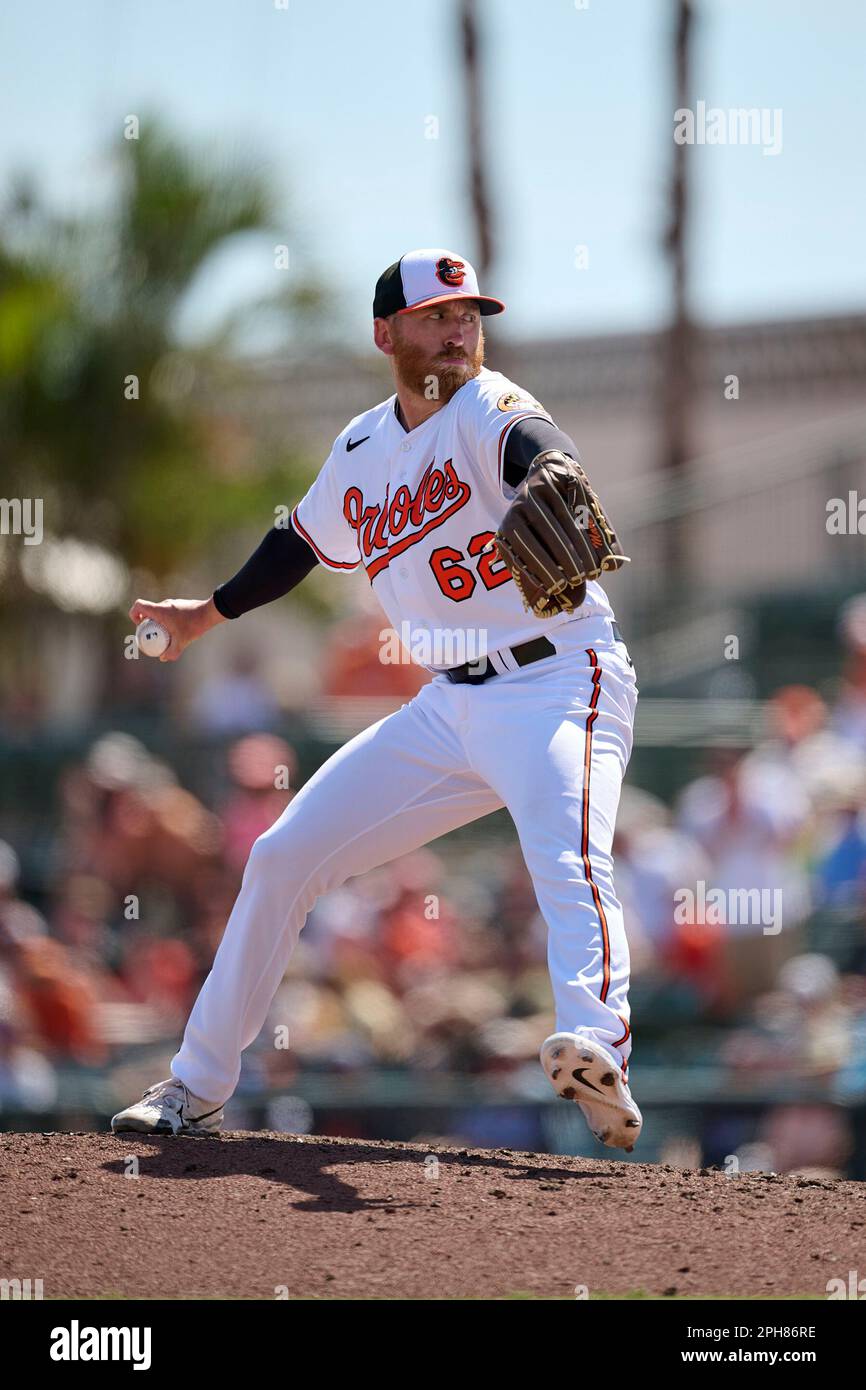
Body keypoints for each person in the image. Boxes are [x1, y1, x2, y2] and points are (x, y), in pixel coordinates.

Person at [111, 248, 641, 1150]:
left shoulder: (485, 404)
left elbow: (532, 443)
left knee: (568, 856)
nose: (460, 330)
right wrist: (204, 615)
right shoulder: (361, 447)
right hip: (446, 709)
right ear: (385, 334)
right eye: (438, 316)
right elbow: (302, 543)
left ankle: (597, 1047)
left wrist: (550, 467)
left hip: (558, 678)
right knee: (282, 857)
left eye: (469, 314)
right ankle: (194, 1087)